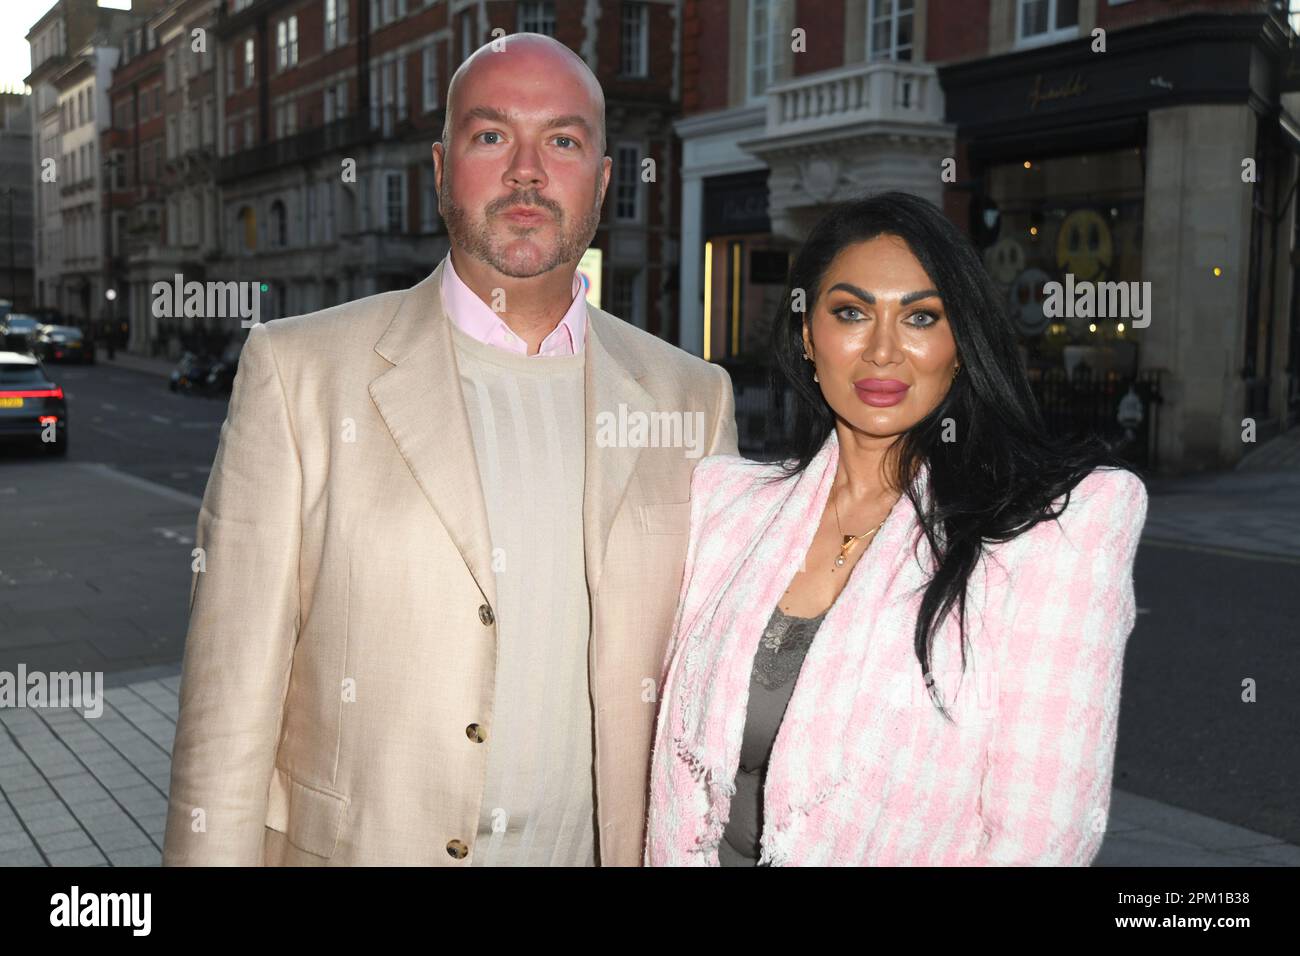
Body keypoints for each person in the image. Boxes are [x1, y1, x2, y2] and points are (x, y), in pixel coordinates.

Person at [163, 33, 737, 867]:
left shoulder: (694, 398)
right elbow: (228, 698)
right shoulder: (298, 373)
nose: (528, 172)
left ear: (605, 180)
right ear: (440, 168)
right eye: (492, 135)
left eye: (564, 140)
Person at [645, 191, 1149, 866]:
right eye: (851, 313)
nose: (883, 351)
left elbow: (1042, 840)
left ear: (960, 344)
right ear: (806, 334)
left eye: (920, 317)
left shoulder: (1053, 532)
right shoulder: (727, 505)